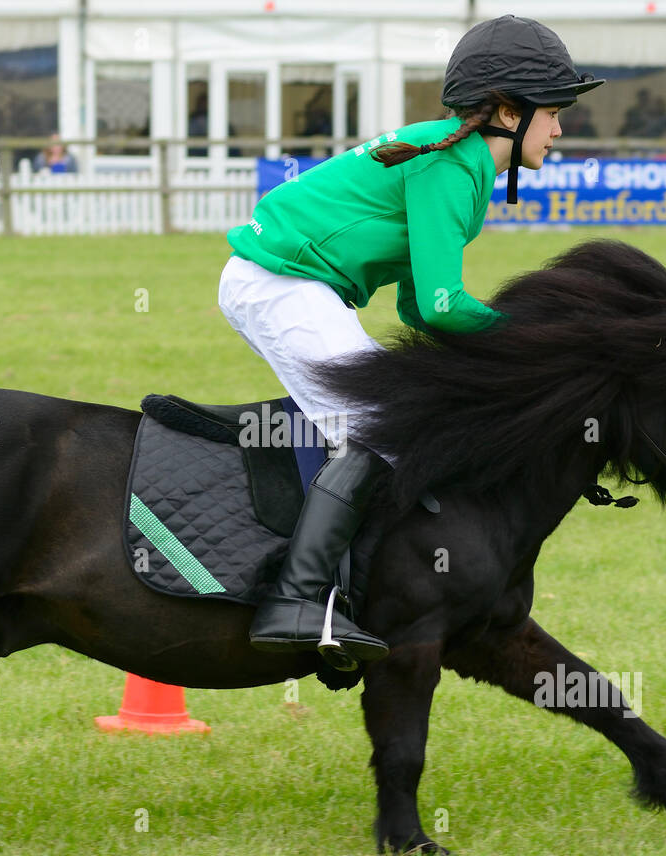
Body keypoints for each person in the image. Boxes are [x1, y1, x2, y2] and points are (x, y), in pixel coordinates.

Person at [217, 14, 603, 669]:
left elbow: (415, 306)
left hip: (292, 286)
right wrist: (536, 340)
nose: (560, 129)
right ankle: (298, 602)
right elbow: (442, 303)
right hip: (280, 284)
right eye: (554, 113)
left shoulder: (461, 163)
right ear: (508, 111)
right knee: (374, 426)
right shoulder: (453, 166)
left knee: (374, 421)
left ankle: (337, 594)